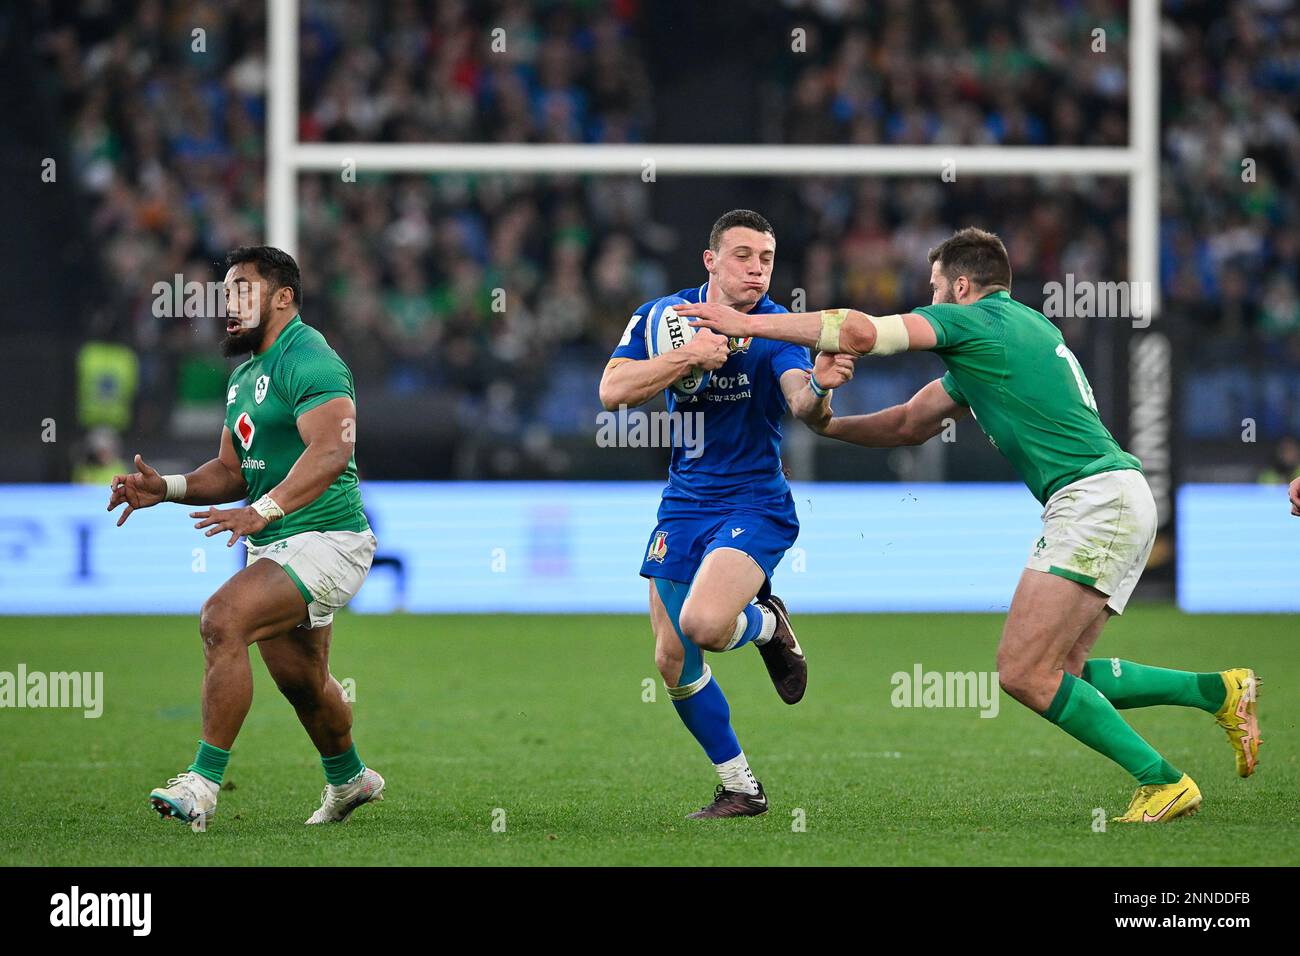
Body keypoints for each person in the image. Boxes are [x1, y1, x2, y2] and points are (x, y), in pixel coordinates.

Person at [677, 226, 1260, 823]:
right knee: (1067, 672)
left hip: (1093, 502)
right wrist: (828, 425)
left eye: (933, 287)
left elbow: (858, 331)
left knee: (1024, 673)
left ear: (960, 285)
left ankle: (1163, 781)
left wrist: (744, 324)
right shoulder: (1013, 335)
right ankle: (1218, 692)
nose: (928, 299)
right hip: (1115, 498)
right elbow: (908, 423)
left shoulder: (976, 322)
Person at [109, 246, 384, 827]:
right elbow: (232, 471)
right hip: (280, 540)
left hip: (329, 537)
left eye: (241, 290)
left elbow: (333, 448)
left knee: (221, 618)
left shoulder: (308, 357)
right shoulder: (243, 377)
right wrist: (171, 488)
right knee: (304, 683)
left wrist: (264, 508)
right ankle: (351, 778)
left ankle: (203, 784)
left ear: (283, 297)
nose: (226, 303)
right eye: (224, 292)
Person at [597, 209, 854, 818]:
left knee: (707, 624)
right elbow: (613, 391)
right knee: (671, 657)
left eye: (766, 259)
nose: (757, 270)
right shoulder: (666, 317)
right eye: (744, 256)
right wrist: (689, 359)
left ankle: (766, 625)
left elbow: (802, 407)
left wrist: (819, 387)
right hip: (684, 503)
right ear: (711, 260)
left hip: (755, 502)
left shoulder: (774, 329)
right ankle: (741, 786)